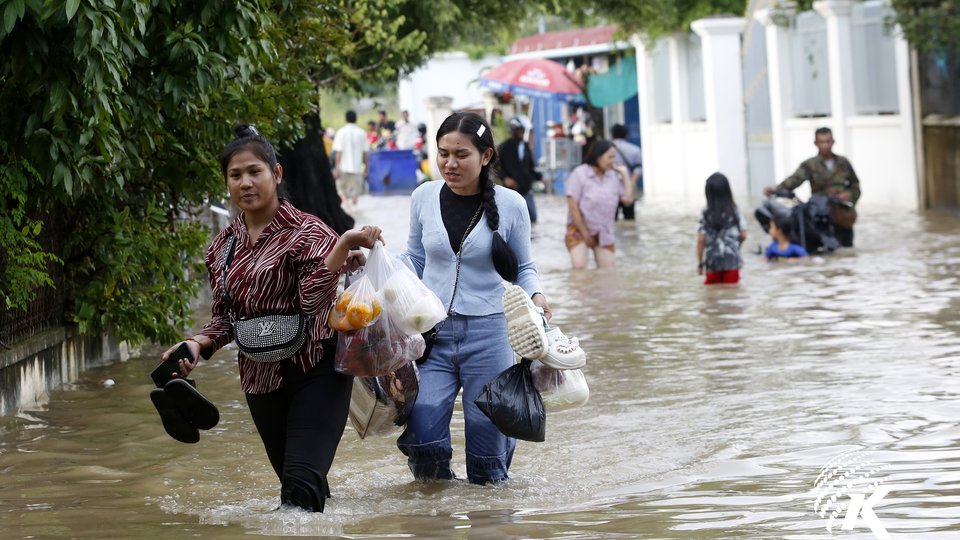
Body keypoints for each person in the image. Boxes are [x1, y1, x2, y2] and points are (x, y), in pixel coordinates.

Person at [159, 124, 383, 512]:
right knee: (300, 490)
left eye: (254, 172)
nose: (245, 182)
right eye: (235, 175)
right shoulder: (221, 247)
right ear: (226, 182)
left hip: (318, 369)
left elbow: (312, 301)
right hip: (260, 379)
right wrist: (198, 343)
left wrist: (343, 244)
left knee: (298, 491)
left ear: (276, 174)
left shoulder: (310, 232)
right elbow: (227, 318)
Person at [398, 111, 552, 485]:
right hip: (431, 332)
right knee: (422, 421)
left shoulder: (512, 204)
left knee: (487, 433)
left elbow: (523, 266)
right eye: (443, 153)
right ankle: (434, 512)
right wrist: (379, 272)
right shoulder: (423, 196)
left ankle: (490, 515)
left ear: (485, 156)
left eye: (461, 154)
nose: (450, 163)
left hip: (490, 332)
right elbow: (414, 258)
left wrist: (537, 295)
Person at [763, 127, 861, 247]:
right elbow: (794, 180)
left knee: (846, 249)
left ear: (833, 142)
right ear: (816, 143)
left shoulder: (843, 162)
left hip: (842, 216)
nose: (825, 145)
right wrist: (777, 189)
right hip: (820, 213)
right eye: (822, 142)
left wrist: (848, 196)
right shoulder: (810, 164)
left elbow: (855, 185)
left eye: (828, 141)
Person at [564, 139, 634, 269]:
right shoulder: (579, 174)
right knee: (579, 268)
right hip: (579, 229)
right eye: (610, 157)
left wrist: (624, 174)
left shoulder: (613, 176)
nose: (613, 161)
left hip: (604, 232)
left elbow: (628, 199)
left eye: (614, 157)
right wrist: (585, 234)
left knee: (607, 273)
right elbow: (573, 208)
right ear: (598, 156)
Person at [697, 172, 747, 284]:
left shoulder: (705, 214)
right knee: (731, 292)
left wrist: (700, 264)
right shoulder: (735, 212)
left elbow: (701, 240)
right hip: (732, 262)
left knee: (712, 294)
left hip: (712, 263)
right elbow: (743, 235)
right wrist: (736, 246)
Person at [496, 116, 542, 224]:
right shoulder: (504, 147)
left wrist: (540, 177)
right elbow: (494, 167)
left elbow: (530, 168)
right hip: (511, 190)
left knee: (532, 218)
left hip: (526, 189)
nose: (522, 132)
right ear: (514, 130)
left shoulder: (526, 146)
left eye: (523, 130)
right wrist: (505, 178)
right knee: (512, 221)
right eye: (520, 130)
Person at [332, 110, 370, 208]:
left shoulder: (341, 132)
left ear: (346, 119)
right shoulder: (362, 133)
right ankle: (353, 208)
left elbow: (338, 153)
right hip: (357, 169)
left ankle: (348, 208)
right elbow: (365, 153)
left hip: (343, 169)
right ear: (356, 119)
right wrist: (366, 168)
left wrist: (336, 168)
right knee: (355, 195)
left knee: (341, 191)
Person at [610, 123, 642, 221]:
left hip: (610, 188)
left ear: (612, 135)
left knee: (611, 219)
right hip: (628, 187)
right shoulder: (635, 149)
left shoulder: (606, 149)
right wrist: (631, 182)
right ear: (626, 135)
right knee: (629, 219)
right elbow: (638, 169)